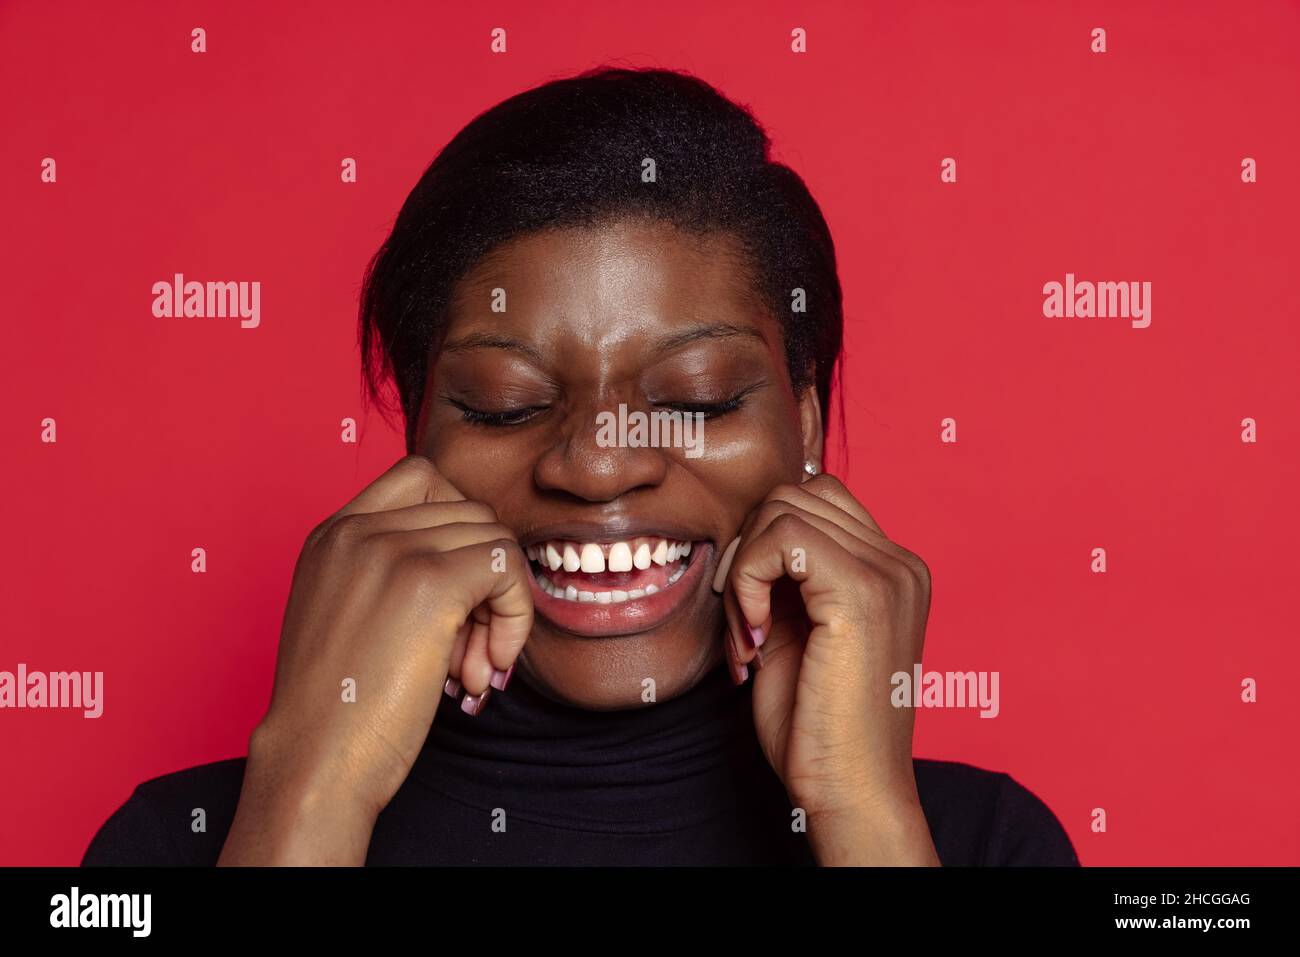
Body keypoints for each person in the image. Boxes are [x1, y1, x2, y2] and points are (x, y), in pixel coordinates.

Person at [83, 67, 1077, 866]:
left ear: (803, 425)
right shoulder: (189, 844)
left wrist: (860, 811)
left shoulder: (976, 844)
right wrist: (308, 792)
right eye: (504, 405)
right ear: (418, 437)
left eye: (694, 400)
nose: (597, 466)